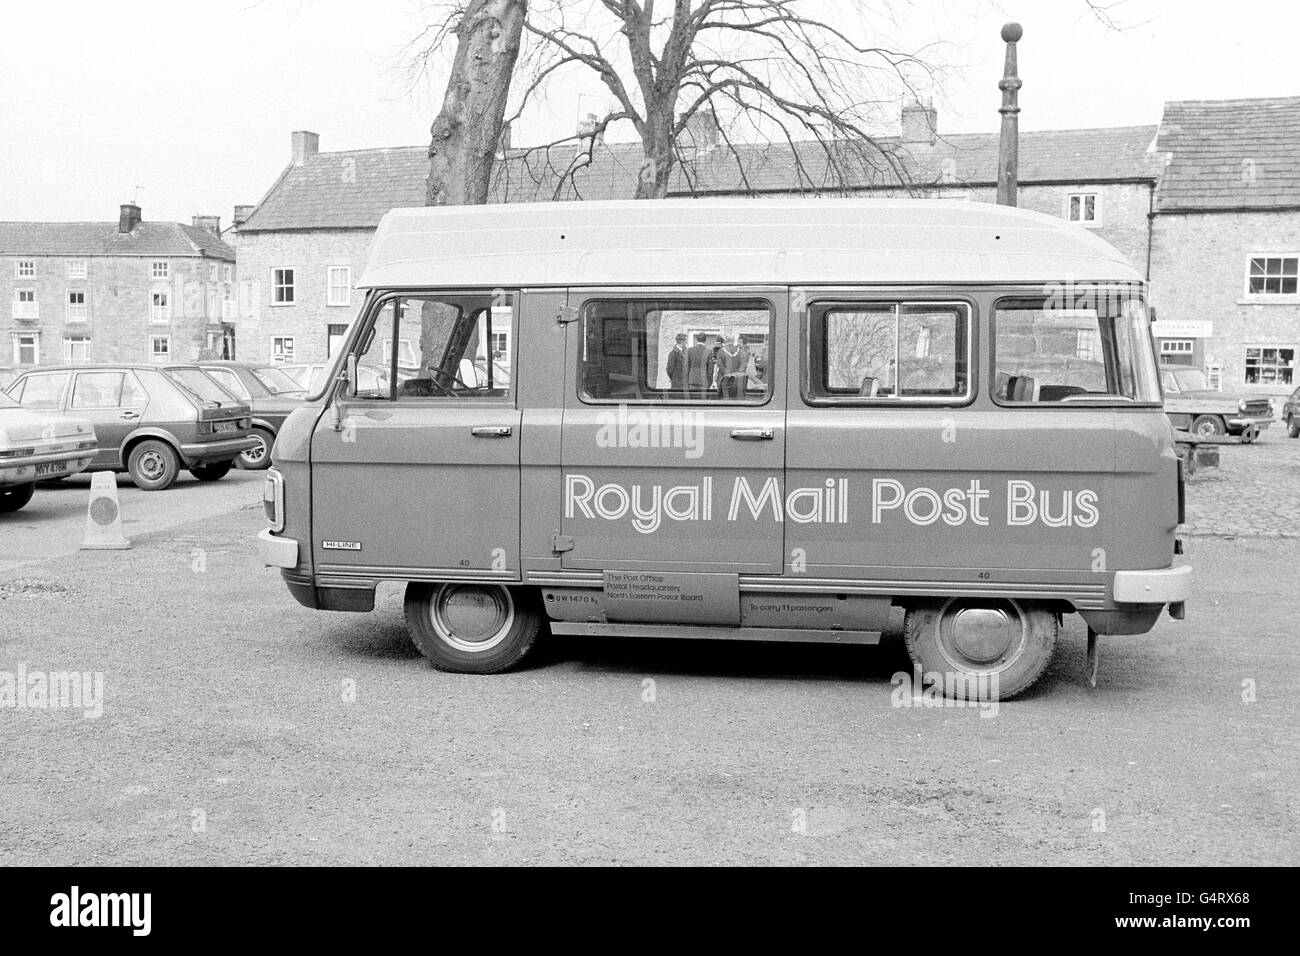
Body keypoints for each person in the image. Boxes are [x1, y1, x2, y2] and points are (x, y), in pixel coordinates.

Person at [685, 333, 712, 398]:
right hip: (703, 380)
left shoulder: (690, 350)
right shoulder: (708, 351)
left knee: (693, 402)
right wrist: (709, 381)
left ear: (697, 339)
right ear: (705, 340)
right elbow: (710, 369)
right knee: (703, 403)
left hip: (692, 379)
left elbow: (686, 366)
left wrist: (688, 378)